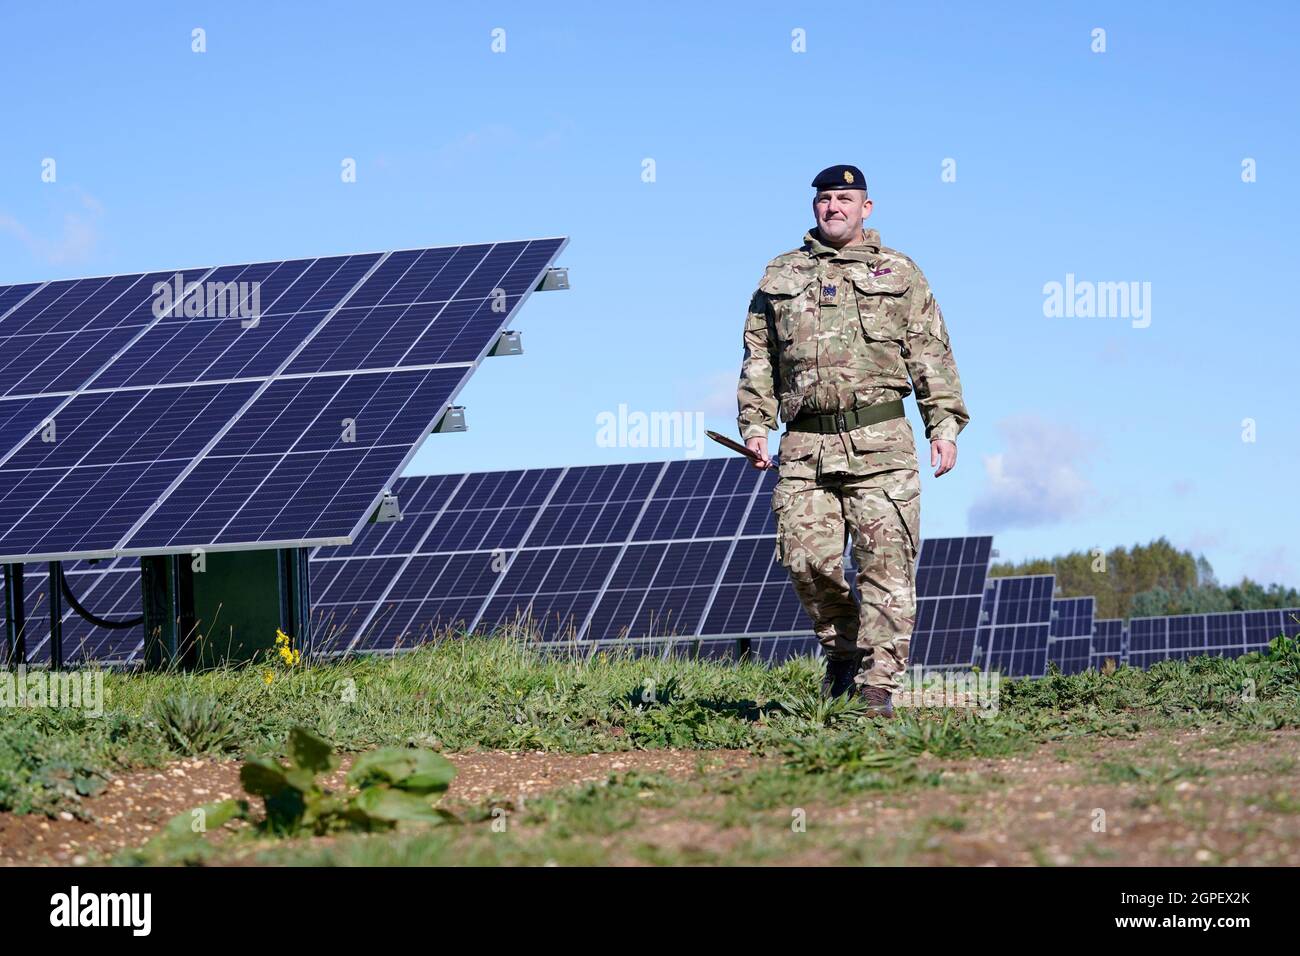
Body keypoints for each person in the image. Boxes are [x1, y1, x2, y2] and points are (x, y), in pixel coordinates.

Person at [736, 164, 970, 716]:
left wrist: (944, 424)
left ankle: (877, 688)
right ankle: (842, 651)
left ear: (867, 208)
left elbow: (930, 352)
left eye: (845, 198)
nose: (833, 207)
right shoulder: (780, 275)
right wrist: (754, 424)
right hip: (804, 447)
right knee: (805, 562)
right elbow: (758, 357)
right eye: (824, 199)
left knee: (886, 566)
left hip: (881, 444)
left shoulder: (900, 273)